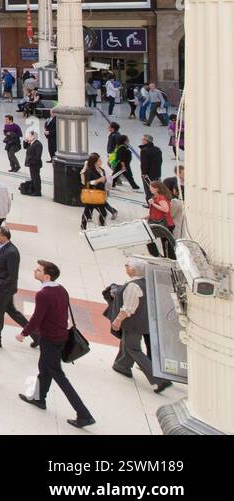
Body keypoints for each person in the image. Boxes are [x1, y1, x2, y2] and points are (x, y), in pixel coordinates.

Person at [19, 260, 95, 428]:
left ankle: (84, 414)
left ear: (46, 276)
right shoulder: (61, 290)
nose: (35, 271)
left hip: (50, 339)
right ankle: (39, 398)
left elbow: (37, 318)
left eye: (38, 270)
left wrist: (23, 333)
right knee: (44, 368)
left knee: (58, 375)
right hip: (60, 336)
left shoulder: (43, 294)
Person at [111, 258, 172, 394]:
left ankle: (159, 379)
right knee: (127, 343)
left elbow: (128, 308)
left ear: (133, 269)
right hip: (142, 321)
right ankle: (122, 365)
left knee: (133, 348)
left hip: (133, 323)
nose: (125, 267)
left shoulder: (134, 286)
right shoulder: (146, 283)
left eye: (126, 266)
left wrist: (117, 320)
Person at [79, 153, 115, 229]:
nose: (101, 161)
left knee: (92, 211)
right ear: (94, 162)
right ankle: (85, 226)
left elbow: (105, 181)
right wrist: (99, 180)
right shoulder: (89, 171)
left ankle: (97, 226)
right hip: (92, 194)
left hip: (100, 194)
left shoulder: (102, 170)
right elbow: (88, 183)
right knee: (92, 211)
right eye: (99, 160)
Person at [146, 181, 178, 259]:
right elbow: (156, 212)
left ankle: (163, 256)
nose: (150, 189)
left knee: (164, 242)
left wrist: (153, 204)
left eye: (151, 187)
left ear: (156, 189)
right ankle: (166, 257)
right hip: (162, 223)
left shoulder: (160, 197)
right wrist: (147, 217)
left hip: (165, 223)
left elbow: (166, 209)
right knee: (165, 242)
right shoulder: (157, 197)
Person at [22, 130, 44, 196]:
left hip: (35, 164)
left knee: (36, 178)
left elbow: (38, 156)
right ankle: (34, 189)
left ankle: (37, 191)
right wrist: (25, 141)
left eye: (28, 136)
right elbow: (25, 147)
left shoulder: (38, 144)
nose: (27, 137)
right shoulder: (31, 143)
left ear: (33, 137)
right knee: (33, 177)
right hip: (31, 164)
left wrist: (31, 161)